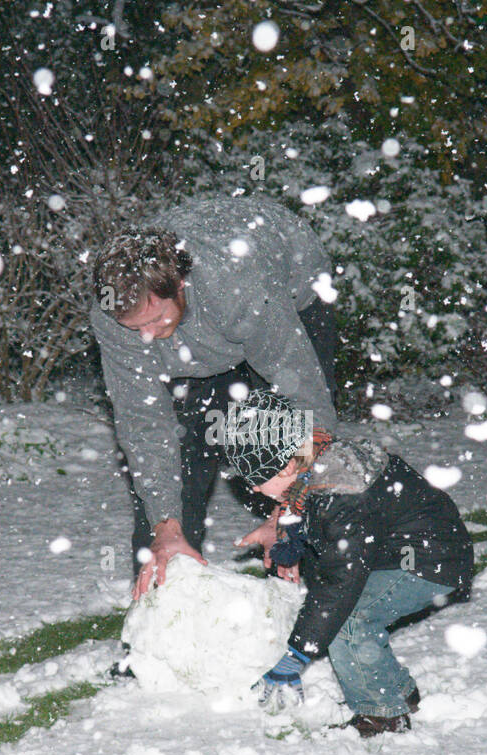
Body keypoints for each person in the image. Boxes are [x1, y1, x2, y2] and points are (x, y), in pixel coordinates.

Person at [89, 195, 338, 599]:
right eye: (136, 328)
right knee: (179, 469)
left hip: (291, 286)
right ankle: (165, 610)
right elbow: (143, 423)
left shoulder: (242, 289)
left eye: (154, 320)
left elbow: (308, 405)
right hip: (203, 335)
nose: (146, 337)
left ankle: (316, 608)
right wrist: (165, 525)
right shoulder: (115, 314)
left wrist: (290, 508)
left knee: (286, 452)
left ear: (180, 285)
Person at [224, 390, 474, 737]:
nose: (251, 488)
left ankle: (383, 715)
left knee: (350, 620)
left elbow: (339, 582)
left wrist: (298, 652)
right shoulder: (318, 468)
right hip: (412, 550)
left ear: (284, 467)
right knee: (350, 612)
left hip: (430, 560)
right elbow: (329, 545)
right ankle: (397, 691)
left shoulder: (340, 494)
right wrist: (293, 543)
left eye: (254, 478)